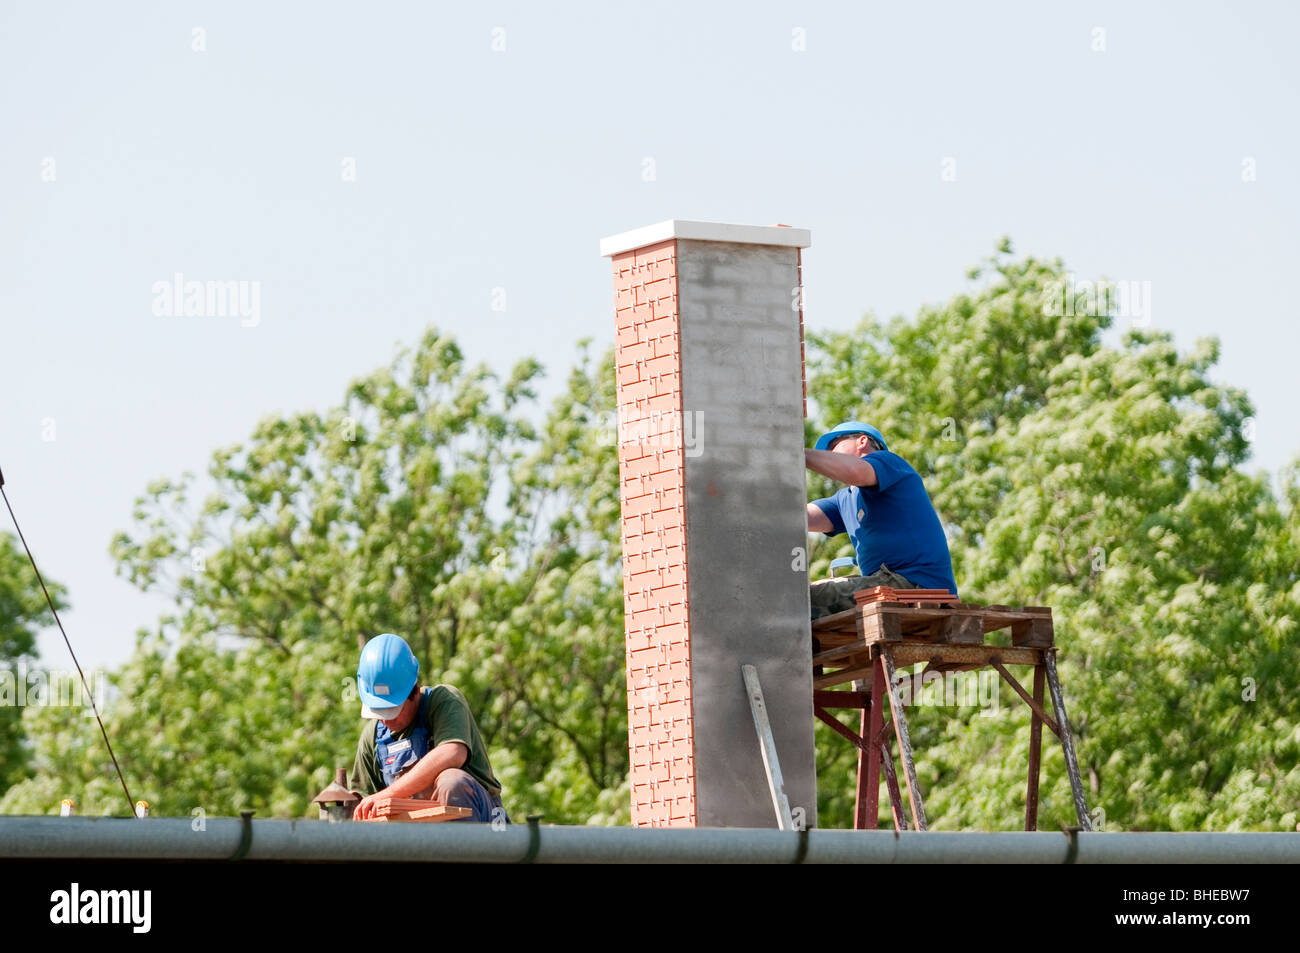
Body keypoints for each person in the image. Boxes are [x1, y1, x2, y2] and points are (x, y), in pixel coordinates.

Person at [347, 632, 507, 823]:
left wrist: (387, 795)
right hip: (413, 840)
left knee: (452, 782)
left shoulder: (443, 701)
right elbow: (361, 804)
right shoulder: (373, 737)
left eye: (391, 710)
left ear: (414, 691)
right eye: (378, 711)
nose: (385, 720)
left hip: (487, 824)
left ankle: (463, 850)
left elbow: (453, 753)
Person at [804, 421, 958, 619]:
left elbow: (856, 471)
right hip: (887, 583)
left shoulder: (889, 463)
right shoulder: (845, 498)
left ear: (862, 441)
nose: (829, 454)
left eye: (834, 445)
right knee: (801, 594)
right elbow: (801, 517)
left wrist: (798, 454)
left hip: (915, 583)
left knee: (802, 599)